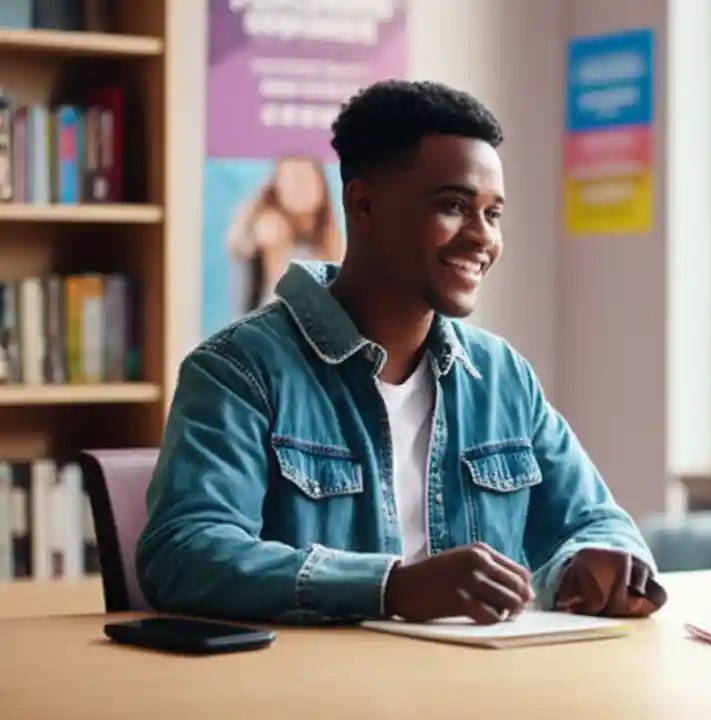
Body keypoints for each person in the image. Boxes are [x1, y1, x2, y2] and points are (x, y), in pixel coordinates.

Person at [139, 80, 667, 625]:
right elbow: (183, 553)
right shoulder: (239, 370)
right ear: (363, 206)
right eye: (455, 206)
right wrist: (389, 588)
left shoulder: (501, 376)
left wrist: (595, 565)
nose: (482, 237)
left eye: (493, 214)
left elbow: (598, 523)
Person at [227, 154, 344, 313]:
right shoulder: (265, 232)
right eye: (292, 178)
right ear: (277, 188)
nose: (300, 186)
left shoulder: (331, 242)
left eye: (307, 176)